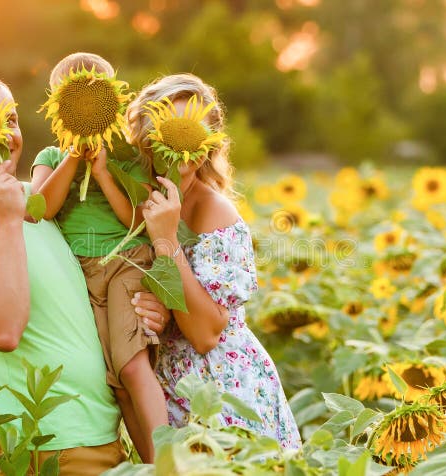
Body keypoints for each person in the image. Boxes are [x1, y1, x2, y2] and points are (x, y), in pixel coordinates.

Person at [0, 73, 127, 475]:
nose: (6, 135)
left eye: (10, 120)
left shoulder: (39, 201)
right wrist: (8, 221)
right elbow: (3, 330)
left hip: (101, 434)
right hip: (45, 446)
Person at [126, 73, 302, 449]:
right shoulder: (133, 196)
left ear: (208, 145)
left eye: (192, 133)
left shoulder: (215, 213)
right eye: (168, 130)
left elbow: (206, 334)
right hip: (168, 394)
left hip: (225, 396)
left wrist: (166, 239)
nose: (180, 145)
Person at [31, 52, 167, 463]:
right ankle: (149, 464)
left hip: (126, 260)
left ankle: (171, 461)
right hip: (80, 277)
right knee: (115, 381)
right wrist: (73, 157)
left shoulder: (127, 155)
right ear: (58, 106)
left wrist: (105, 172)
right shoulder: (51, 158)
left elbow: (134, 220)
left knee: (132, 366)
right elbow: (39, 208)